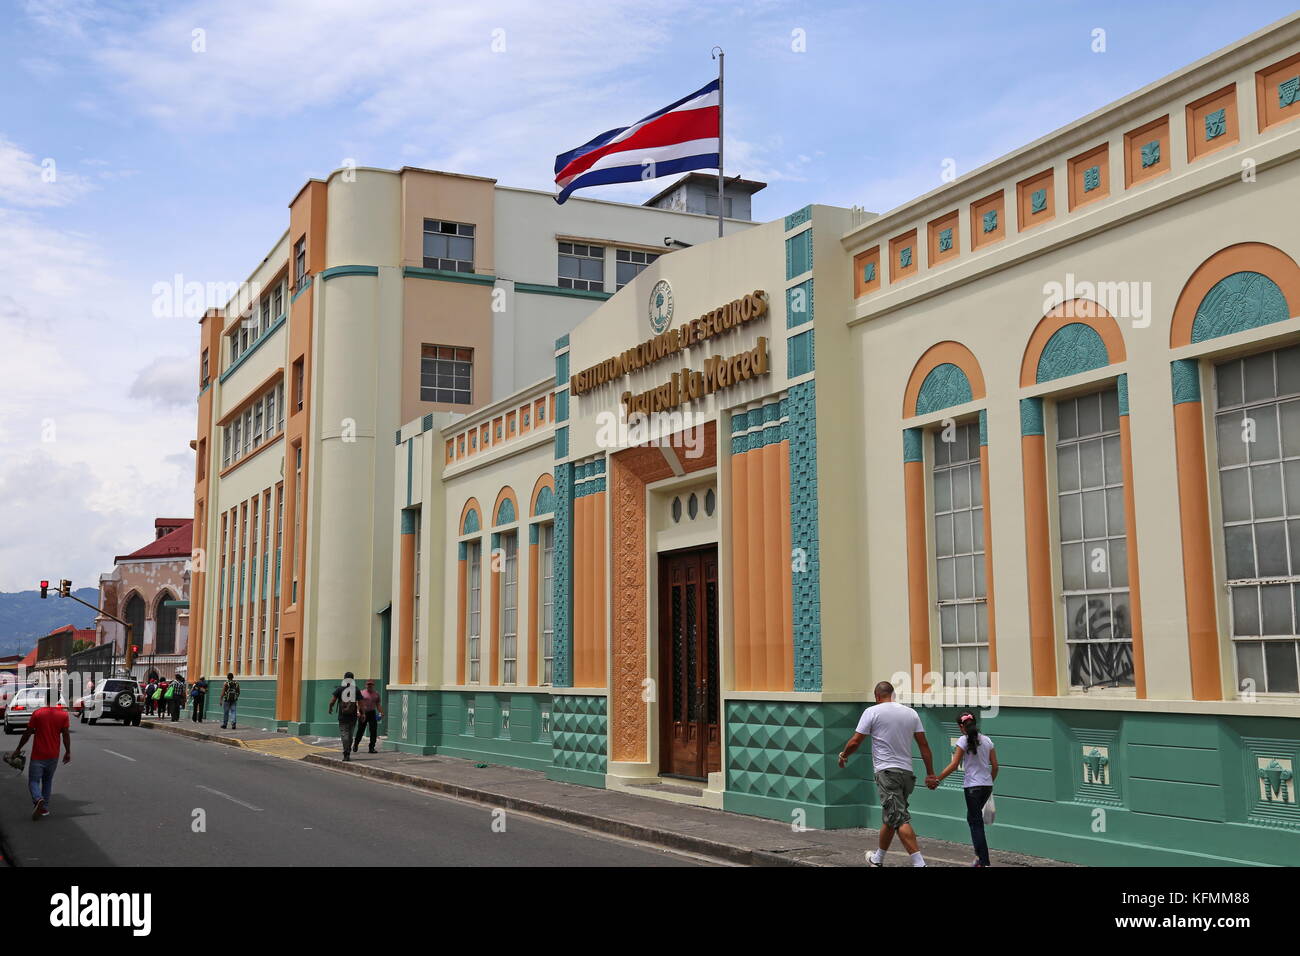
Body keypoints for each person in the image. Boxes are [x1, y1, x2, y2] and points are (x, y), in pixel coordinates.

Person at [838, 680, 936, 867]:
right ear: (893, 695)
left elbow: (855, 742)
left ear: (877, 696)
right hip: (907, 774)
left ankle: (919, 863)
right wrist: (930, 773)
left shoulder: (872, 712)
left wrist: (844, 755)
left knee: (899, 818)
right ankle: (878, 859)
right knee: (891, 817)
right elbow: (924, 746)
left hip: (887, 773)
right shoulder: (911, 713)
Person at [932, 712, 998, 867]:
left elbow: (954, 765)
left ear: (962, 727)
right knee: (973, 819)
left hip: (972, 787)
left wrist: (937, 779)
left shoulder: (963, 740)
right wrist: (989, 782)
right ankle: (978, 858)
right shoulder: (987, 740)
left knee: (976, 823)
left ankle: (984, 862)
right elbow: (995, 766)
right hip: (986, 786)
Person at [8, 692, 71, 820]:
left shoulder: (38, 713)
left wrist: (18, 749)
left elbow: (27, 733)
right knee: (47, 781)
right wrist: (68, 751)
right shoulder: (63, 715)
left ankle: (38, 799)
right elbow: (65, 735)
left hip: (38, 755)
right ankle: (44, 808)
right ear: (58, 700)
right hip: (53, 754)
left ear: (44, 699)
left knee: (33, 781)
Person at [327, 672, 361, 761]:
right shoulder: (356, 690)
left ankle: (346, 753)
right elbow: (361, 703)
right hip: (353, 717)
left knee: (345, 736)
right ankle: (348, 750)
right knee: (350, 736)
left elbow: (332, 701)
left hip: (342, 717)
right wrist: (363, 713)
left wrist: (330, 708)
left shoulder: (339, 689)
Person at [352, 680, 383, 754]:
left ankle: (371, 747)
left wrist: (381, 712)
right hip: (363, 713)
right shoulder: (362, 693)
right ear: (366, 685)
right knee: (361, 730)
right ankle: (356, 745)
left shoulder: (376, 694)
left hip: (372, 713)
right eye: (368, 684)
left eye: (371, 685)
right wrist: (358, 712)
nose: (369, 686)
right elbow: (357, 703)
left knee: (373, 730)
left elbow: (378, 704)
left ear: (373, 685)